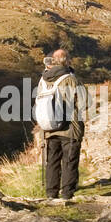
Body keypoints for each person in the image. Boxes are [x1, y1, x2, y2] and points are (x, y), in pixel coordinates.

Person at [34, 48, 87, 201]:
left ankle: (51, 193)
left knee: (52, 161)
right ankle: (66, 194)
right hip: (70, 129)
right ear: (65, 61)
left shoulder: (43, 80)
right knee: (69, 161)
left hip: (48, 128)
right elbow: (84, 102)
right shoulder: (70, 79)